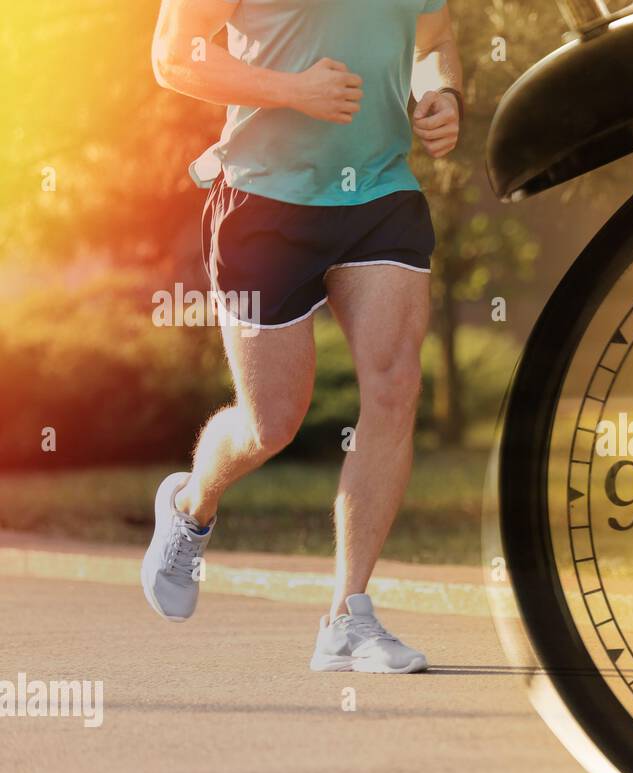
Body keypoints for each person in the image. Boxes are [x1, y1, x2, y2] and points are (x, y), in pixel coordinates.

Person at [142, 0, 462, 674]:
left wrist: (440, 94)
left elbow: (434, 35)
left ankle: (347, 618)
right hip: (265, 199)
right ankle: (190, 507)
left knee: (395, 384)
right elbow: (176, 54)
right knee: (271, 424)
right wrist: (291, 90)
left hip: (379, 195)